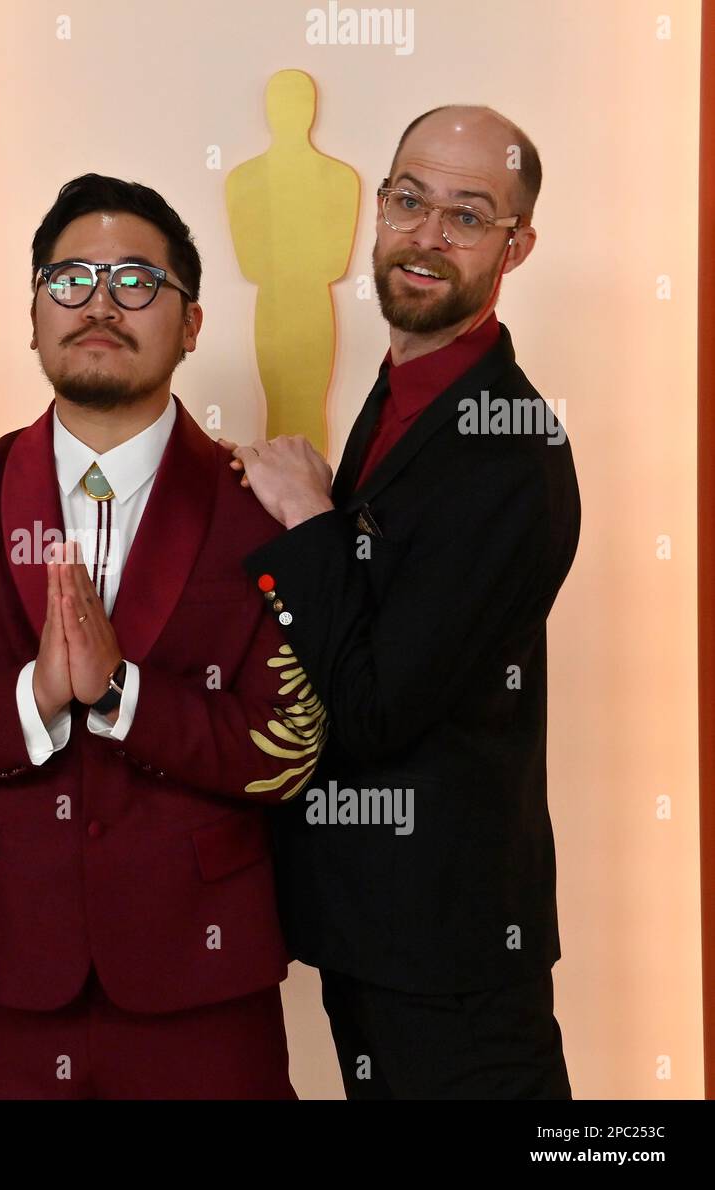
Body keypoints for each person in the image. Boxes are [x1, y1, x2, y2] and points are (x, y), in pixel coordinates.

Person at [0, 174, 328, 1099]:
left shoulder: (267, 508)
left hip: (205, 975)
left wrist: (125, 694)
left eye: (137, 281)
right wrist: (34, 697)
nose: (101, 302)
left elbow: (289, 749)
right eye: (69, 278)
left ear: (191, 324)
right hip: (2, 978)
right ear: (33, 314)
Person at [227, 106, 579, 1099]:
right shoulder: (404, 390)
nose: (425, 235)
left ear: (516, 246)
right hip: (378, 930)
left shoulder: (511, 451)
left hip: (450, 954)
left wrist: (308, 523)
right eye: (409, 200)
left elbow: (376, 704)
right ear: (376, 209)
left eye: (465, 215)